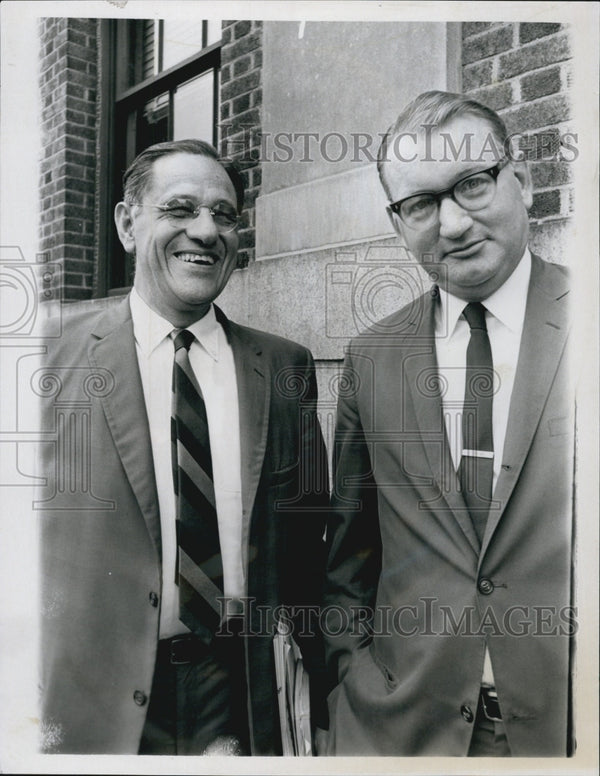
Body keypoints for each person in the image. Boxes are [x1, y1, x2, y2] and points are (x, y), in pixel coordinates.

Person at [38, 139, 329, 755]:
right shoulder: (45, 359)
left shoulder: (285, 369)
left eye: (223, 215)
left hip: (240, 698)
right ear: (127, 224)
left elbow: (308, 552)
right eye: (179, 209)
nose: (205, 231)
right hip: (88, 704)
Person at [323, 91, 574, 756]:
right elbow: (349, 557)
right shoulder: (371, 358)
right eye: (421, 204)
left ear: (522, 181)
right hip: (405, 736)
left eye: (472, 184)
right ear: (398, 222)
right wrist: (351, 682)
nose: (454, 223)